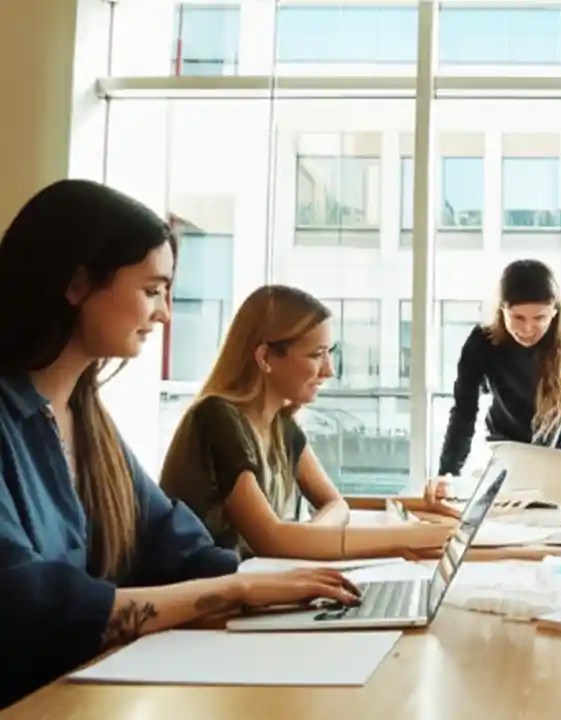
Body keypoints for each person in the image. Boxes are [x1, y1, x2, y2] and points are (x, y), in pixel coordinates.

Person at [0, 181, 359, 709]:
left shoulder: (87, 419)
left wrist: (290, 589)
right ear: (77, 283)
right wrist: (236, 592)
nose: (166, 313)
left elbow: (177, 546)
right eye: (152, 290)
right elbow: (31, 607)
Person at [161, 285, 456, 560]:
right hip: (205, 605)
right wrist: (407, 538)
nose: (328, 370)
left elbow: (336, 504)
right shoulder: (217, 419)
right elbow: (272, 540)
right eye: (317, 355)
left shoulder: (282, 426)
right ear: (265, 357)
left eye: (330, 353)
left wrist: (308, 536)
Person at [438, 259, 561, 477]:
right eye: (518, 317)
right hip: (504, 444)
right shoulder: (481, 341)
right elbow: (463, 412)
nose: (528, 329)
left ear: (554, 313)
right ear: (502, 310)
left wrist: (549, 465)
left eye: (539, 318)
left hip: (555, 448)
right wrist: (447, 473)